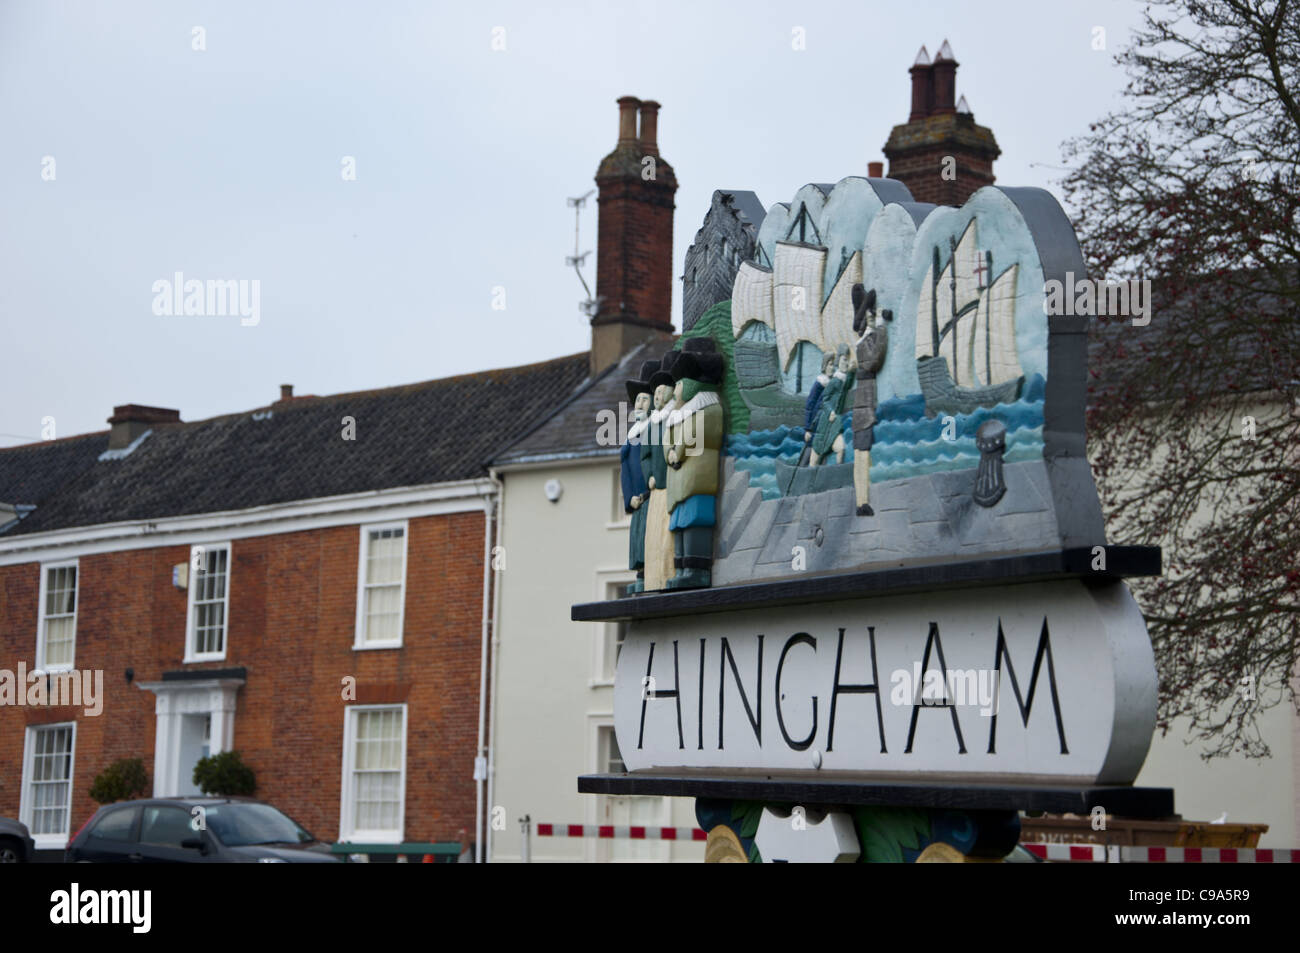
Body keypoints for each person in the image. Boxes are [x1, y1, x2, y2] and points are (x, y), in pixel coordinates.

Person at [664, 338, 726, 590]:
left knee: (695, 520)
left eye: (679, 383)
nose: (675, 388)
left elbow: (698, 434)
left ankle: (696, 568)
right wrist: (670, 451)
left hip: (698, 480)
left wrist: (677, 451)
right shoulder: (680, 414)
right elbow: (669, 439)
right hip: (679, 482)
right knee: (679, 522)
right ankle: (681, 568)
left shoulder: (709, 408)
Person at [851, 285, 891, 516]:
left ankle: (862, 500)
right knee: (862, 455)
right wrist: (882, 328)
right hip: (863, 410)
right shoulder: (863, 346)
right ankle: (861, 502)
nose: (873, 317)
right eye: (870, 315)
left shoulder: (865, 341)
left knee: (863, 455)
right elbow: (875, 359)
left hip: (864, 408)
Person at [641, 353, 679, 591]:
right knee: (653, 536)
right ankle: (653, 577)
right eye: (654, 393)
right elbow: (645, 456)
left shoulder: (675, 418)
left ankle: (667, 574)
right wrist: (649, 476)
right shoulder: (651, 425)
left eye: (661, 392)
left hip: (672, 487)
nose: (657, 396)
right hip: (656, 490)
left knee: (668, 537)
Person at [621, 360, 659, 594]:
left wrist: (647, 489)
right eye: (638, 400)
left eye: (645, 399)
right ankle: (640, 574)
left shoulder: (654, 430)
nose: (640, 404)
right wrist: (629, 498)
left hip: (648, 497)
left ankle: (648, 574)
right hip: (636, 500)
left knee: (648, 538)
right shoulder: (633, 433)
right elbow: (625, 470)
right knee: (637, 540)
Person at [809, 344, 855, 466]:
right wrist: (830, 412)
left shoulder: (842, 380)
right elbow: (824, 400)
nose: (846, 363)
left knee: (841, 448)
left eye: (847, 360)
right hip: (825, 424)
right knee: (817, 453)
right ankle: (809, 473)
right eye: (844, 360)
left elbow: (847, 385)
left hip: (835, 424)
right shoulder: (834, 381)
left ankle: (836, 473)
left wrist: (852, 372)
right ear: (838, 361)